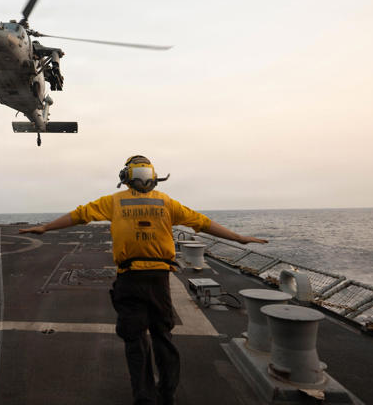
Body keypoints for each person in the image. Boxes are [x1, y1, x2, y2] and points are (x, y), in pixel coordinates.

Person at [19, 155, 267, 405]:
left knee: (135, 339)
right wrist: (237, 238)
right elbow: (201, 222)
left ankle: (145, 398)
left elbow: (80, 215)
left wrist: (46, 228)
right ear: (153, 177)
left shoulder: (115, 201)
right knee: (162, 336)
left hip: (130, 279)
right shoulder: (166, 202)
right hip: (159, 280)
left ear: (126, 177)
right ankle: (167, 394)